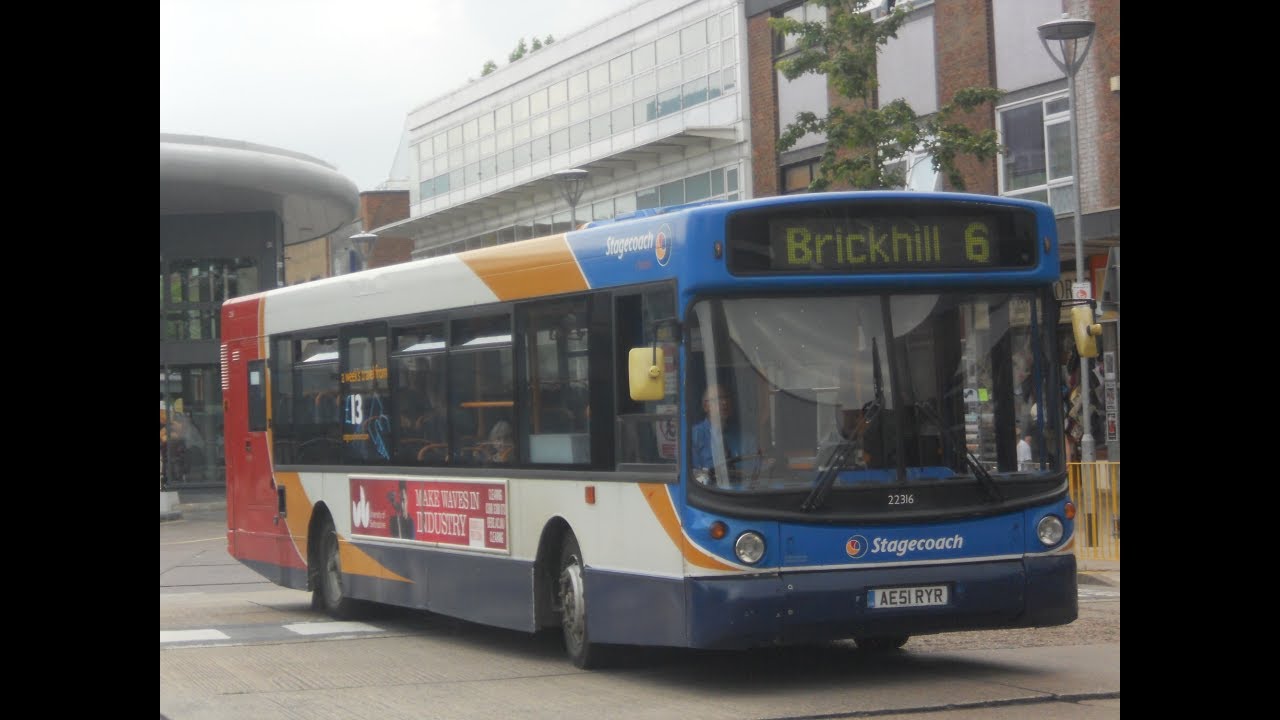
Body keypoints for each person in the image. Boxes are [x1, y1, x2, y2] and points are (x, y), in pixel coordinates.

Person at [691, 383, 759, 471]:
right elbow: (695, 474)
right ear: (705, 406)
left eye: (726, 398)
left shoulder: (747, 438)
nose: (724, 402)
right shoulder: (694, 437)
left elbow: (757, 471)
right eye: (718, 399)